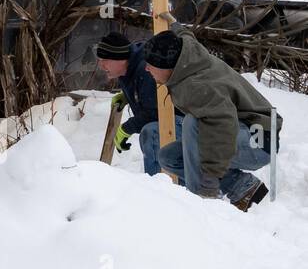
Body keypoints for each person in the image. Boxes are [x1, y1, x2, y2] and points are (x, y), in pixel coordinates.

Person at [144, 20, 283, 210]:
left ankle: (201, 203)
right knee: (169, 157)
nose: (146, 69)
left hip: (259, 140)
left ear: (167, 66)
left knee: (193, 124)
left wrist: (209, 179)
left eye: (150, 64)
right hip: (241, 130)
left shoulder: (198, 85)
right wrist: (174, 24)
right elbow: (186, 36)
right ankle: (243, 186)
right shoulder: (188, 56)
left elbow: (223, 126)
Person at [95, 31, 178, 176]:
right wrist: (127, 96)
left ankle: (160, 188)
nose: (100, 64)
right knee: (151, 130)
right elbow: (148, 95)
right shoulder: (127, 68)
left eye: (105, 59)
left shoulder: (145, 70)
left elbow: (155, 113)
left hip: (185, 124)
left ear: (120, 58)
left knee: (151, 131)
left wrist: (127, 128)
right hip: (175, 123)